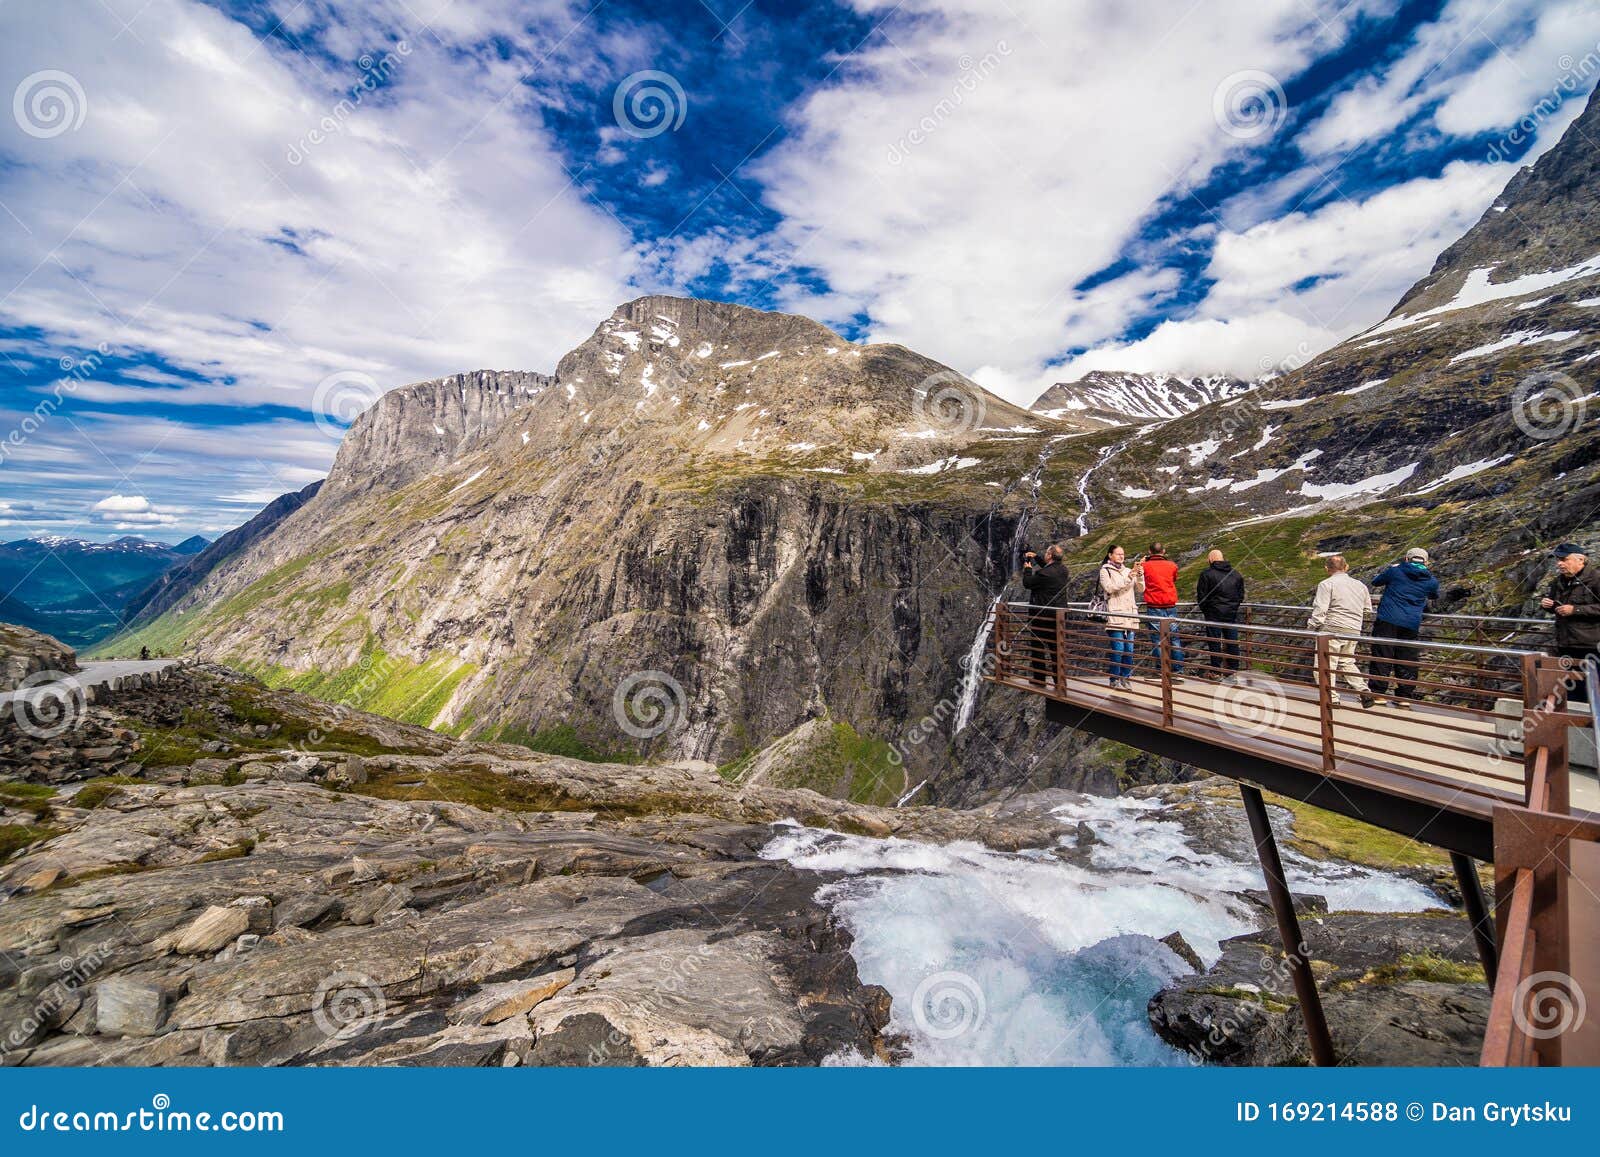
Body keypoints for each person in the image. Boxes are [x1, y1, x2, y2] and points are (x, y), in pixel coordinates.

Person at [1368, 547, 1439, 709]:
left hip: (1388, 618)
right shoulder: (1431, 580)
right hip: (1411, 623)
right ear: (1426, 562)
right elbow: (1434, 595)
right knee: (1407, 658)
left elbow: (1376, 581)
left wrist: (1393, 569)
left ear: (1407, 559)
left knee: (1382, 654)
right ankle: (1404, 697)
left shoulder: (1396, 571)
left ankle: (1378, 694)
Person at [1308, 555, 1375, 709]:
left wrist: (1311, 627)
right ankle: (1362, 690)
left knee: (1325, 664)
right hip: (1353, 629)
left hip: (1332, 629)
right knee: (1347, 661)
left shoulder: (1326, 584)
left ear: (1326, 569)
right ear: (1347, 567)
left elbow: (1320, 610)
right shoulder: (1360, 585)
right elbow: (1367, 609)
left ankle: (1332, 698)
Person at [1541, 543, 1600, 704]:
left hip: (1591, 647)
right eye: (1558, 560)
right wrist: (1549, 606)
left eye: (1564, 559)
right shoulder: (1558, 582)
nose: (1559, 563)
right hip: (1566, 644)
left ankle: (1594, 726)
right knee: (1573, 690)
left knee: (1593, 690)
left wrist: (1576, 610)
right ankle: (1576, 724)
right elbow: (1557, 608)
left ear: (1580, 560)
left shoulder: (1596, 579)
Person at [1020, 544, 1070, 687]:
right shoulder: (1063, 570)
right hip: (1058, 616)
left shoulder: (1044, 574)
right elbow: (1048, 568)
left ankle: (1039, 678)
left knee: (1038, 647)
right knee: (1056, 648)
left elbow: (1028, 583)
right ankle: (1059, 680)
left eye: (1046, 553)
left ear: (1049, 556)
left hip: (1041, 616)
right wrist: (1037, 557)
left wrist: (1028, 570)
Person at [1099, 544, 1144, 690]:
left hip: (1130, 614)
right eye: (1118, 554)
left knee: (1129, 650)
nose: (1121, 556)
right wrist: (1128, 578)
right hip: (1115, 614)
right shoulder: (1105, 571)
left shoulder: (1128, 570)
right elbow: (1109, 588)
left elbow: (1141, 588)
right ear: (1110, 555)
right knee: (1118, 648)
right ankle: (1114, 678)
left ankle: (1126, 678)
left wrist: (1140, 575)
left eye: (1123, 554)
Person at [1195, 549, 1244, 676]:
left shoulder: (1207, 574)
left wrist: (1207, 610)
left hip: (1213, 614)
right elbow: (1240, 595)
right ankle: (1233, 670)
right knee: (1232, 641)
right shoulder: (1236, 574)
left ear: (1210, 559)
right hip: (1231, 614)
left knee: (1214, 642)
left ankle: (1216, 670)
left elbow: (1202, 596)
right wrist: (1234, 607)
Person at [1140, 542, 1185, 681]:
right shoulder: (1172, 565)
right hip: (1170, 605)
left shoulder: (1145, 566)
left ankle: (1161, 671)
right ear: (1164, 551)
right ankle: (1178, 672)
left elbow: (1137, 577)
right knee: (1174, 639)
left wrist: (1142, 562)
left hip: (1154, 606)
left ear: (1149, 551)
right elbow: (1174, 579)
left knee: (1157, 639)